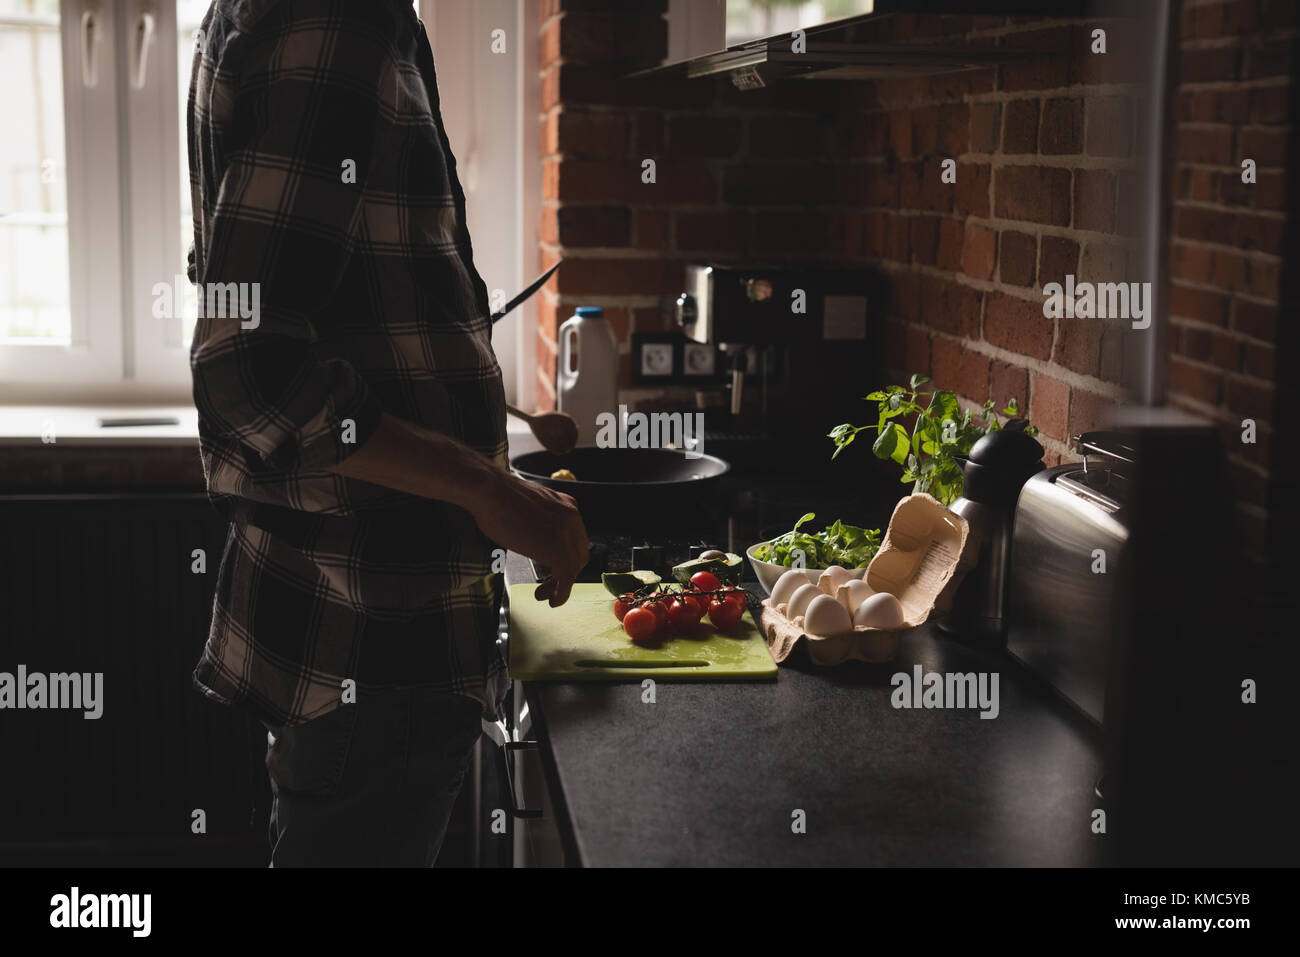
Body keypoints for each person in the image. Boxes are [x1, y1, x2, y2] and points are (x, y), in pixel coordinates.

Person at [185, 0, 586, 867]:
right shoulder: (333, 16)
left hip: (351, 631)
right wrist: (490, 487)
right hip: (376, 631)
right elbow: (248, 370)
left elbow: (360, 321)